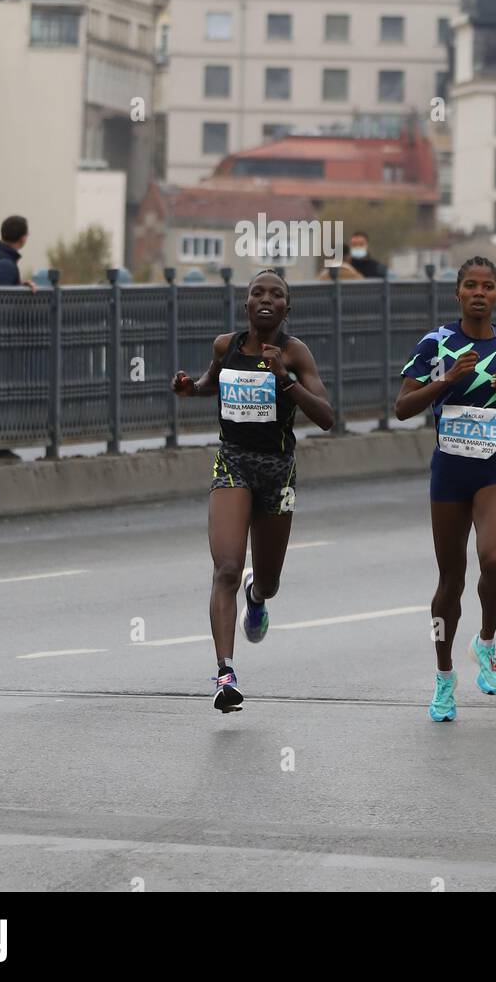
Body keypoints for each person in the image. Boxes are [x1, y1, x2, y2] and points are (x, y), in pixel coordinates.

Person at [394, 255, 496, 723]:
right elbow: (402, 407)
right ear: (458, 293)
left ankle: (486, 642)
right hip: (449, 471)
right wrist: (448, 379)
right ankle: (444, 677)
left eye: (487, 286)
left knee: (494, 558)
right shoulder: (436, 343)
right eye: (470, 285)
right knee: (450, 581)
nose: (478, 293)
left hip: (495, 468)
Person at [171, 270, 334, 712]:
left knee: (269, 580)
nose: (266, 300)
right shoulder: (226, 346)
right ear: (245, 305)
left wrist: (285, 377)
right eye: (257, 293)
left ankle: (256, 597)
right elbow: (212, 382)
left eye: (276, 295)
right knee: (225, 567)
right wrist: (191, 389)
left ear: (287, 307)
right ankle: (225, 676)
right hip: (234, 463)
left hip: (278, 472)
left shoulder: (295, 352)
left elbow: (326, 416)